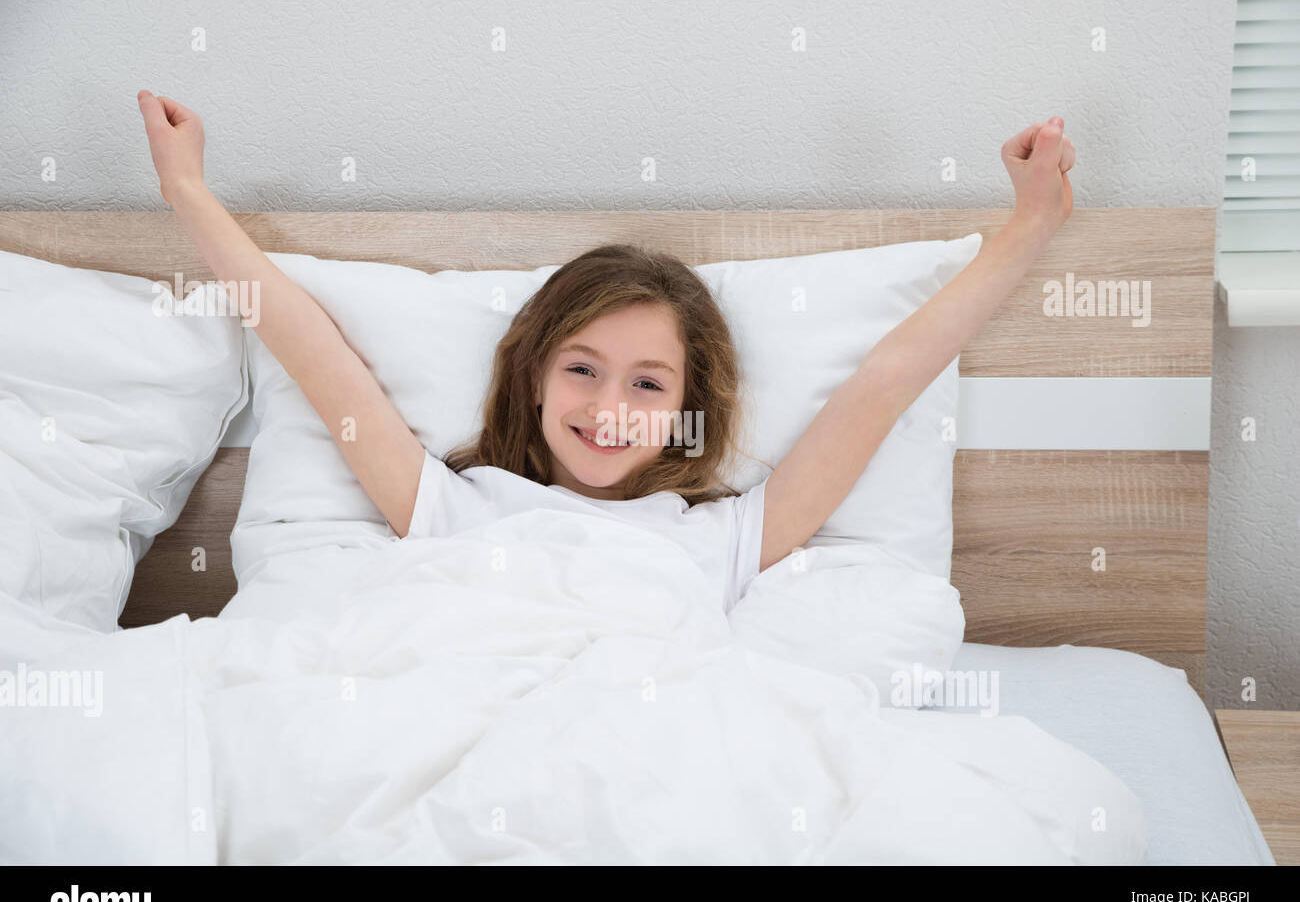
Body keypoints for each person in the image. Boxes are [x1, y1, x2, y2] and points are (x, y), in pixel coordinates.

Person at [136, 90, 1074, 613]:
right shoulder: (456, 508)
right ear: (534, 376)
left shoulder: (724, 539)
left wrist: (1029, 229)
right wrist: (187, 193)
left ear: (683, 411)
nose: (607, 403)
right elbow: (311, 349)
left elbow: (885, 382)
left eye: (648, 382)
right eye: (582, 367)